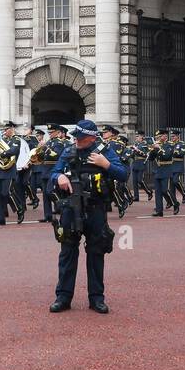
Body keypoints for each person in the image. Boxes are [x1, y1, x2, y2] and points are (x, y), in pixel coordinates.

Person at [48, 120, 128, 315]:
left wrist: (106, 164)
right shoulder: (68, 150)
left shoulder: (105, 150)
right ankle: (63, 297)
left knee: (96, 253)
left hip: (95, 209)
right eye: (76, 136)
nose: (76, 140)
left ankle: (96, 298)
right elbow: (53, 172)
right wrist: (58, 177)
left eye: (81, 138)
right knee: (67, 252)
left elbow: (123, 174)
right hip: (70, 208)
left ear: (92, 138)